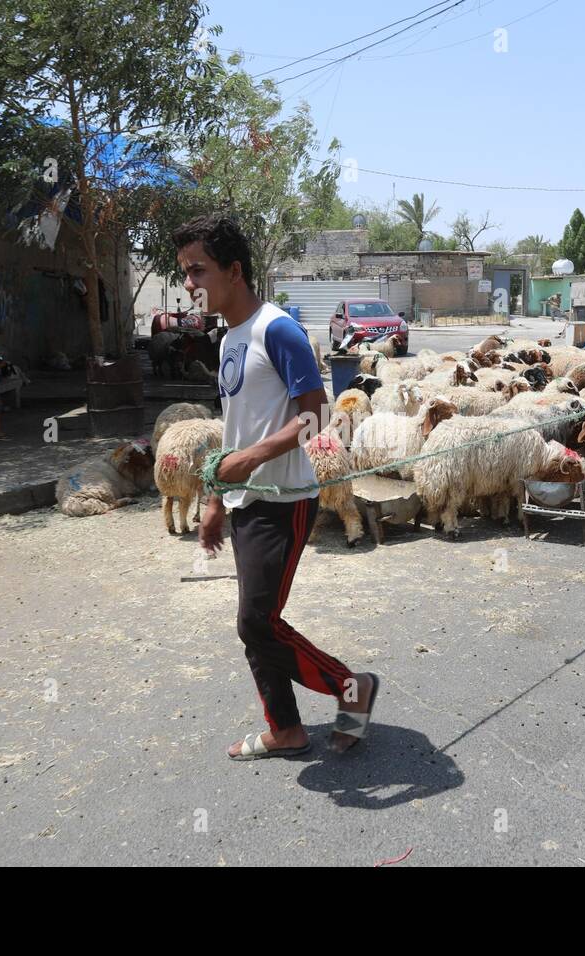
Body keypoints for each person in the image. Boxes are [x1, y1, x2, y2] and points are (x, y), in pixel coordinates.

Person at [175, 213, 379, 760]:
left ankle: (350, 689)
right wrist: (217, 497)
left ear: (234, 270)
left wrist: (251, 460)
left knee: (255, 622)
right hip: (246, 501)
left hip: (285, 500)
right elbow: (234, 432)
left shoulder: (277, 329)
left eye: (197, 271)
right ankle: (286, 729)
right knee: (256, 624)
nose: (189, 284)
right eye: (185, 273)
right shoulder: (228, 340)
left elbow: (316, 418)